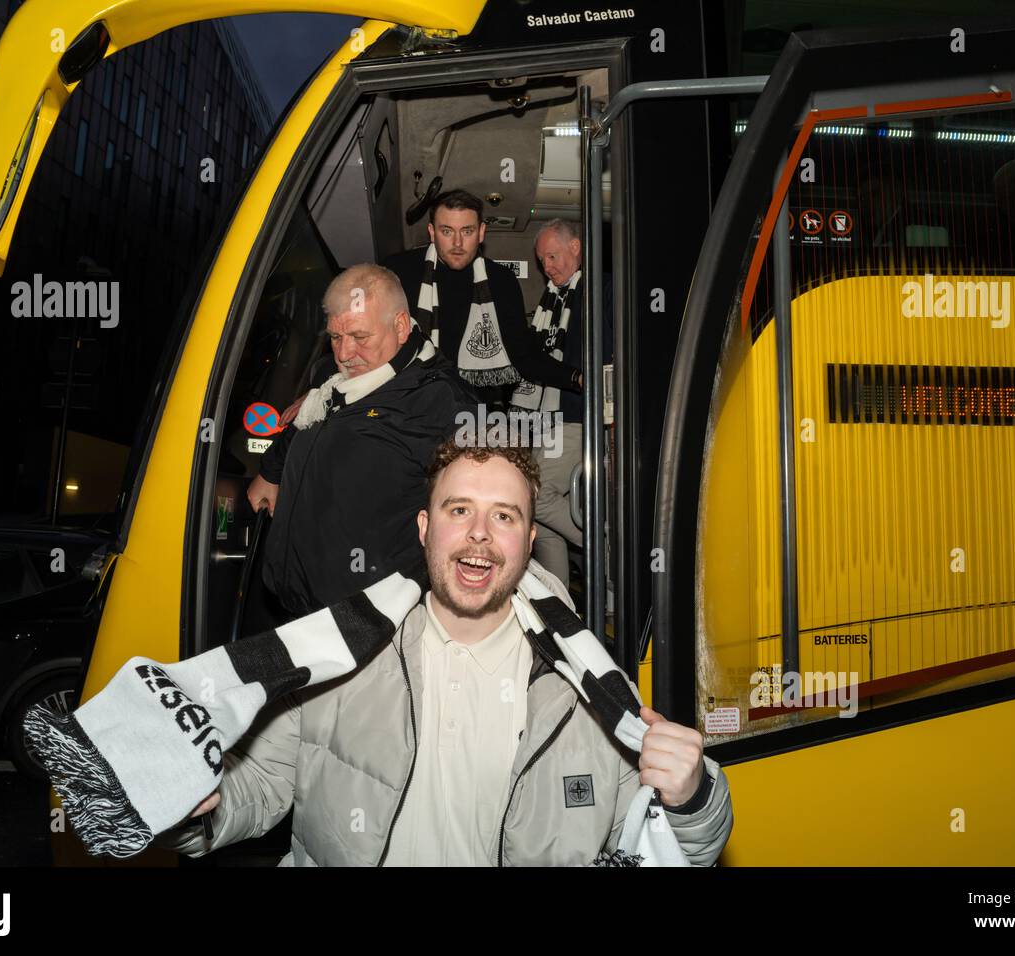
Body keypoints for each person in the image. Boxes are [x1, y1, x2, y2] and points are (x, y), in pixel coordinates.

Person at [161, 440, 733, 866]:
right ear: (424, 527)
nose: (479, 533)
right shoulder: (343, 653)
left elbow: (671, 847)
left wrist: (692, 798)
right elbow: (258, 785)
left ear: (529, 542)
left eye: (504, 516)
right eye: (459, 510)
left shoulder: (589, 684)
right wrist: (195, 810)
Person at [246, 263, 477, 617]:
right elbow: (314, 419)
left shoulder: (443, 401)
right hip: (297, 606)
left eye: (359, 337)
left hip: (368, 621)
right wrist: (272, 470)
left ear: (400, 326)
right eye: (335, 338)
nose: (344, 353)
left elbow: (473, 514)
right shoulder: (332, 381)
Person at [384, 189, 582, 406]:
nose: (458, 243)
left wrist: (576, 377)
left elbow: (524, 355)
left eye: (467, 231)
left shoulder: (500, 281)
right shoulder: (398, 272)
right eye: (447, 231)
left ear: (481, 232)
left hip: (471, 412)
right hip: (407, 405)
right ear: (432, 232)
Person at [509, 219, 612, 588]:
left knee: (534, 495)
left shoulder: (601, 289)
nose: (547, 267)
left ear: (576, 248)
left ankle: (605, 551)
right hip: (550, 418)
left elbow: (610, 357)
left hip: (579, 417)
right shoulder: (553, 299)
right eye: (542, 261)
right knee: (537, 517)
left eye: (552, 256)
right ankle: (558, 604)